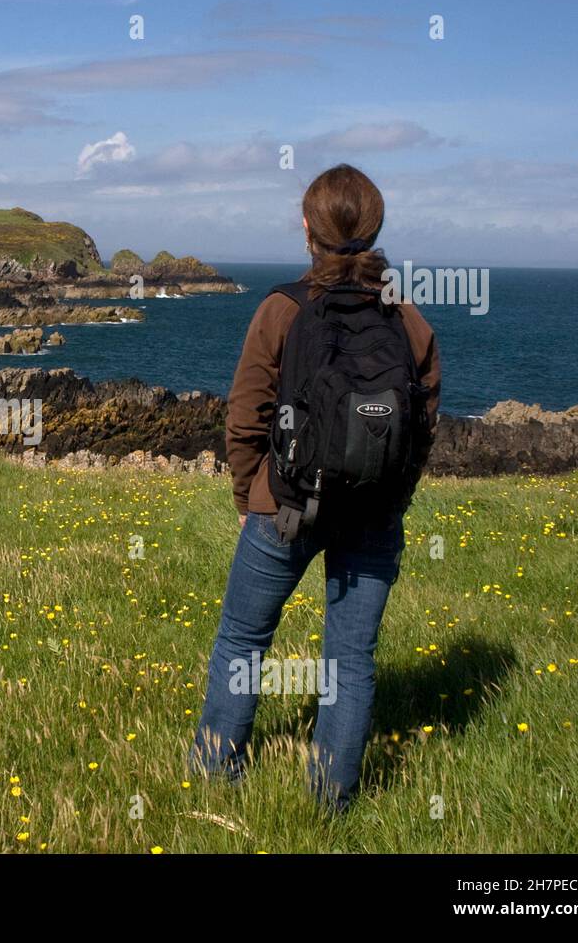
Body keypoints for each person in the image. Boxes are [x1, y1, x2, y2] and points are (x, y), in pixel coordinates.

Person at [191, 164, 442, 812]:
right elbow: (421, 427)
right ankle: (331, 806)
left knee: (244, 641)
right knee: (350, 661)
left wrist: (253, 498)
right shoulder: (407, 319)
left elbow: (245, 414)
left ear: (307, 229)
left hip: (286, 506)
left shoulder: (282, 307)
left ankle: (215, 782)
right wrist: (394, 502)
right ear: (377, 227)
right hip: (374, 513)